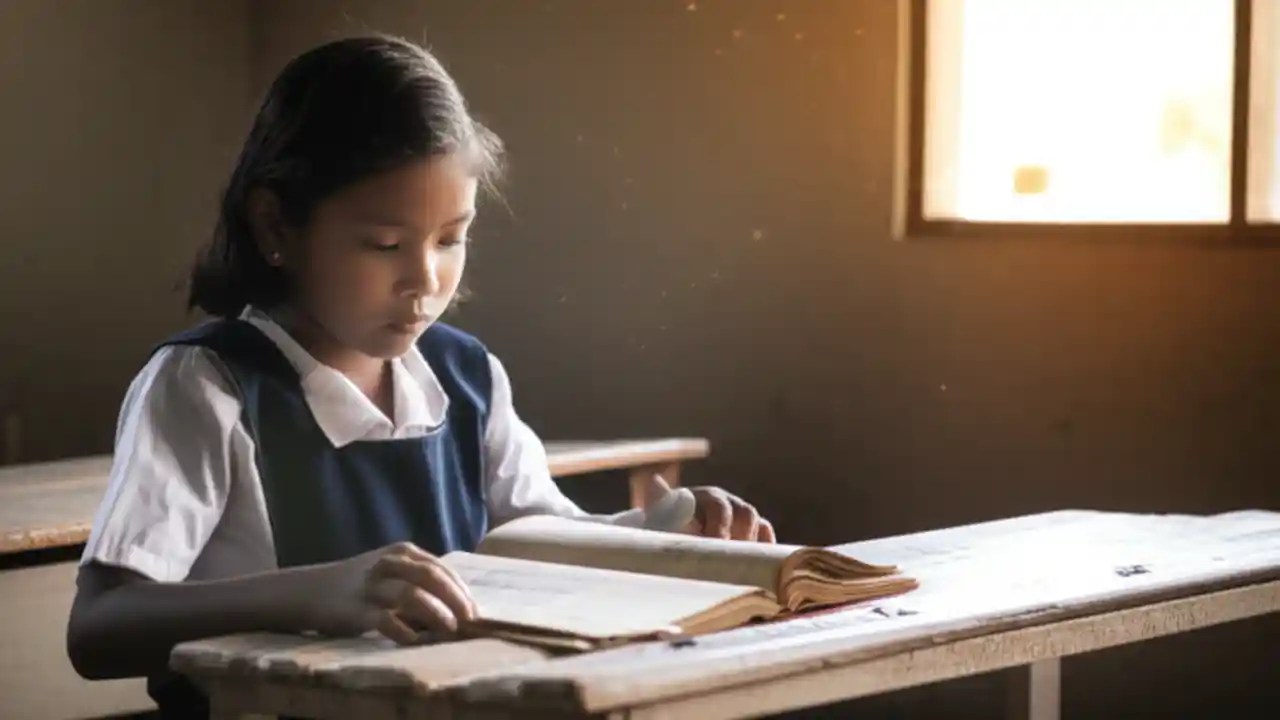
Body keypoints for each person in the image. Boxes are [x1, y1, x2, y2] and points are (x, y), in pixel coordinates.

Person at [66, 35, 774, 718]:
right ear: (276, 227)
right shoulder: (209, 385)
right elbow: (99, 625)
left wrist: (669, 531)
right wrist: (314, 594)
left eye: (451, 238)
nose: (424, 280)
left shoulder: (465, 376)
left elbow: (543, 539)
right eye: (385, 245)